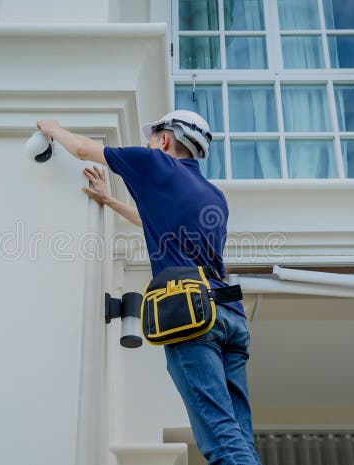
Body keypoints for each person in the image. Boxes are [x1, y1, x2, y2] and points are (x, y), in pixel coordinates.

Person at [37, 110, 261, 465]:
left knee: (221, 441)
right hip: (230, 318)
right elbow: (154, 220)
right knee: (238, 438)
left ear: (165, 139)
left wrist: (52, 129)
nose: (147, 144)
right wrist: (110, 202)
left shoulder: (154, 162)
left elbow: (81, 150)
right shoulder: (215, 196)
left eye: (151, 137)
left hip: (195, 318)